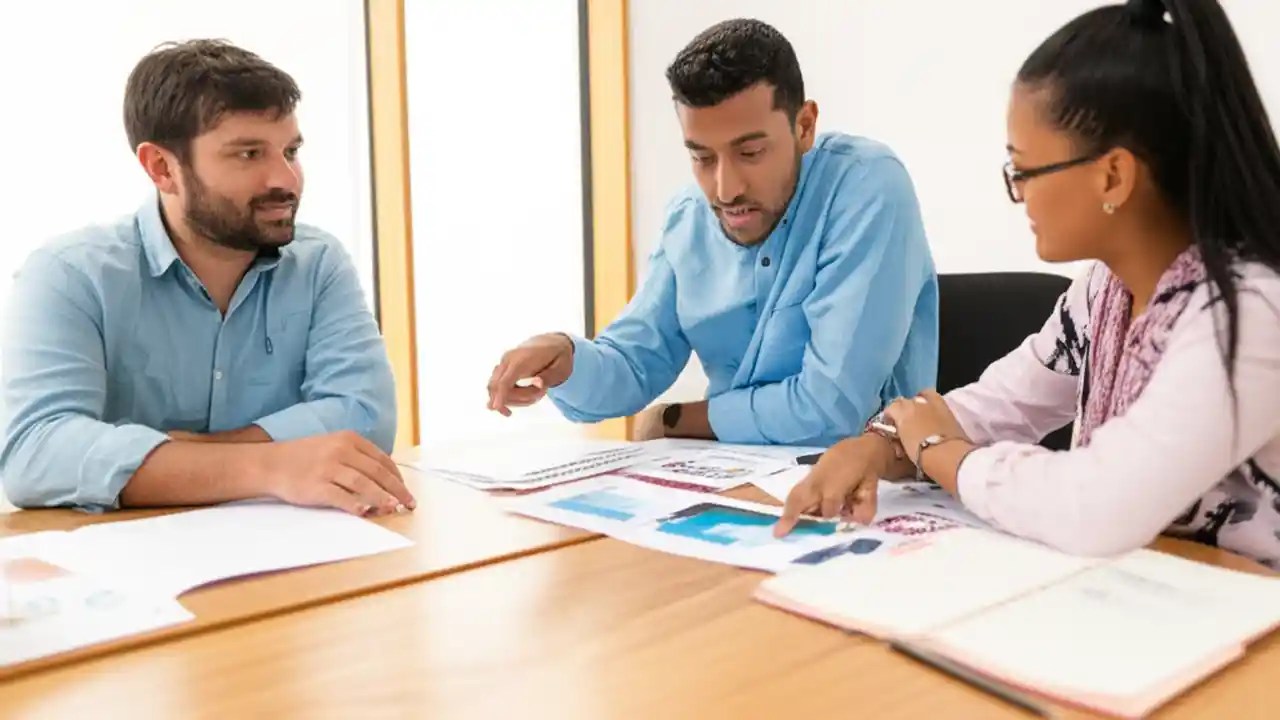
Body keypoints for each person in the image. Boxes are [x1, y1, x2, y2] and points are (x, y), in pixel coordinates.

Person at [776, 0, 1280, 568]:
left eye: (1023, 170)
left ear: (1112, 174)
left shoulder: (1251, 310)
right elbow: (998, 406)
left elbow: (1098, 503)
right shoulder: (1102, 293)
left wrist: (942, 455)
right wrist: (879, 444)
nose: (1017, 192)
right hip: (1148, 592)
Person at [0, 40, 412, 516]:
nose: (286, 179)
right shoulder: (70, 275)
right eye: (248, 154)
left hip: (290, 556)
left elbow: (365, 416)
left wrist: (195, 454)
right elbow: (35, 451)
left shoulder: (319, 263)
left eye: (290, 151)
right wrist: (269, 466)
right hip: (127, 570)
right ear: (162, 168)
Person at [486, 18, 938, 448]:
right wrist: (566, 360)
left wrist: (677, 420)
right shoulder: (688, 218)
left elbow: (833, 406)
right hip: (729, 484)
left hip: (863, 488)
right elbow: (635, 362)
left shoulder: (866, 186)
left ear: (804, 126)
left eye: (751, 152)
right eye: (702, 158)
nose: (726, 189)